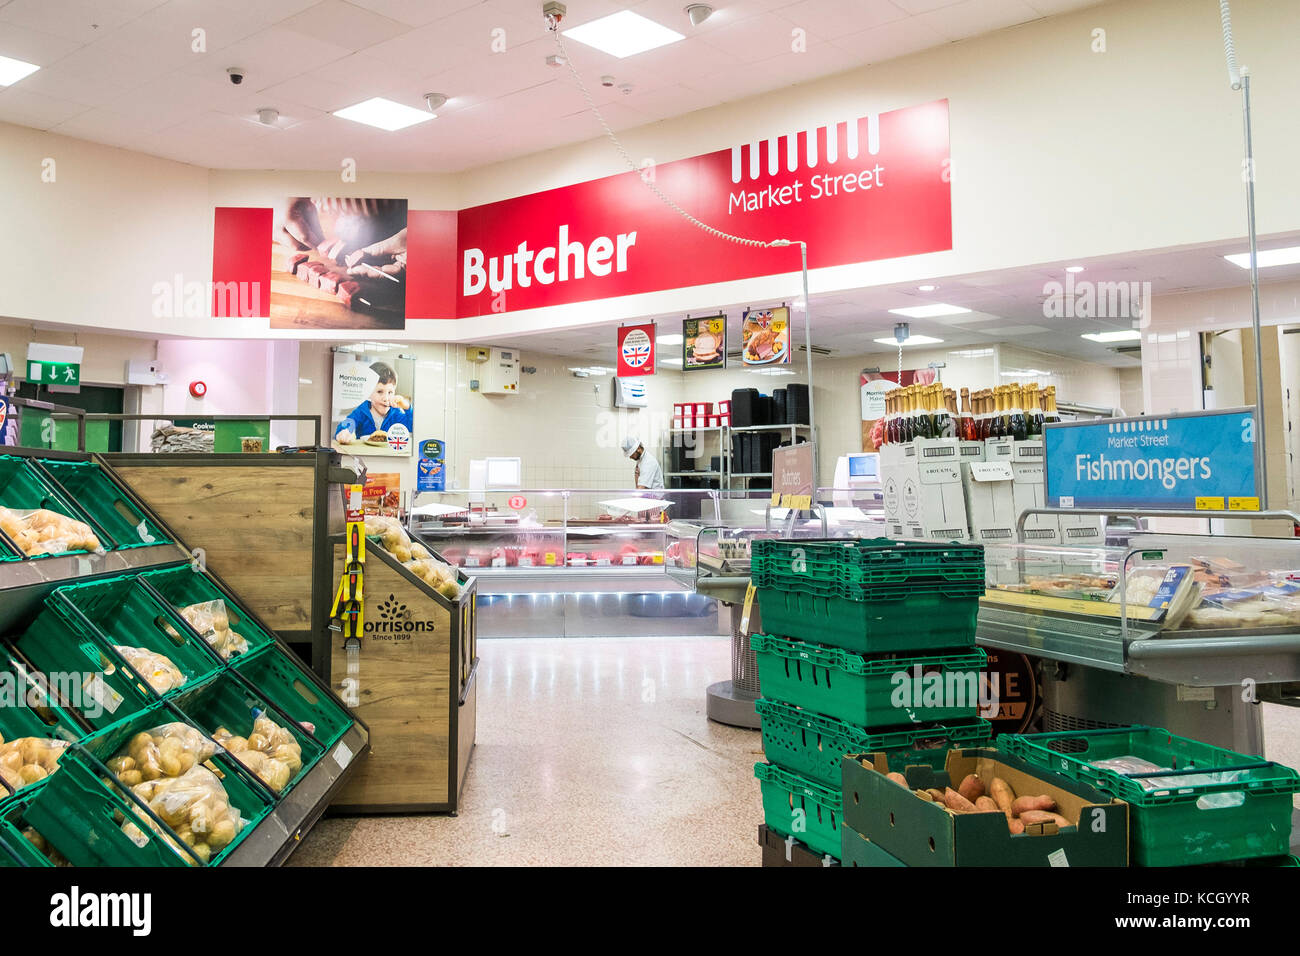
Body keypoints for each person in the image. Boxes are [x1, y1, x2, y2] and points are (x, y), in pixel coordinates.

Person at [335, 362, 413, 445]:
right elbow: (348, 422)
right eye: (380, 392)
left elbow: (413, 427)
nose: (386, 398)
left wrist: (407, 407)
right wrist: (344, 431)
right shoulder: (361, 412)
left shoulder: (397, 414)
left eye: (390, 392)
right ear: (368, 393)